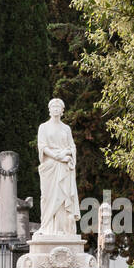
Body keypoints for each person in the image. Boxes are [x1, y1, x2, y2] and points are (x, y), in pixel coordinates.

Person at [37, 98, 80, 236]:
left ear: (62, 111)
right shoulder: (43, 127)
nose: (55, 109)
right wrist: (57, 156)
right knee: (47, 197)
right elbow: (42, 147)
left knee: (63, 198)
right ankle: (47, 227)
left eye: (58, 107)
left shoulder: (66, 128)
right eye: (53, 107)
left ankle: (62, 229)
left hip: (64, 167)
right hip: (49, 166)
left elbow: (72, 146)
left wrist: (67, 154)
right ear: (49, 110)